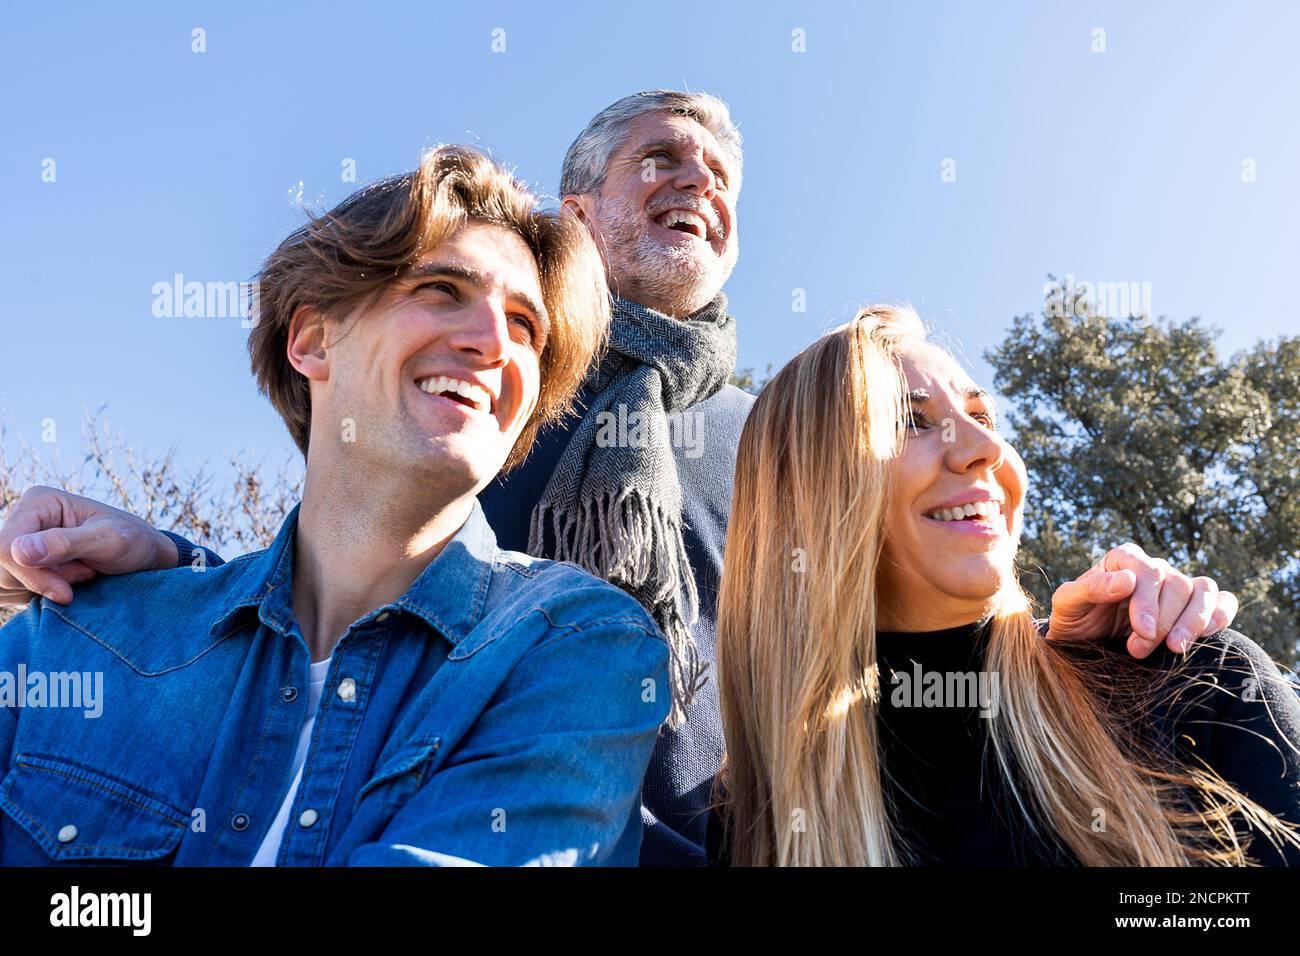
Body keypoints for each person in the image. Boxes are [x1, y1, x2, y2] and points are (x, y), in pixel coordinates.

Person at [0, 92, 1245, 866]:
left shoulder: (801, 437)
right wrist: (168, 576)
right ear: (581, 204)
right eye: (658, 157)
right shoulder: (484, 408)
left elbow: (928, 627)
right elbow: (332, 599)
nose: (694, 178)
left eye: (718, 174)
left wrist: (1107, 636)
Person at [0, 146, 670, 866]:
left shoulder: (574, 648)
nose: (491, 344)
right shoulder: (82, 639)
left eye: (525, 327)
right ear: (314, 340)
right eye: (443, 289)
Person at [709, 304, 1300, 866]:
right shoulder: (753, 816)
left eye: (983, 417)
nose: (986, 449)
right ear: (808, 493)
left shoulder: (1187, 676)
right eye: (911, 422)